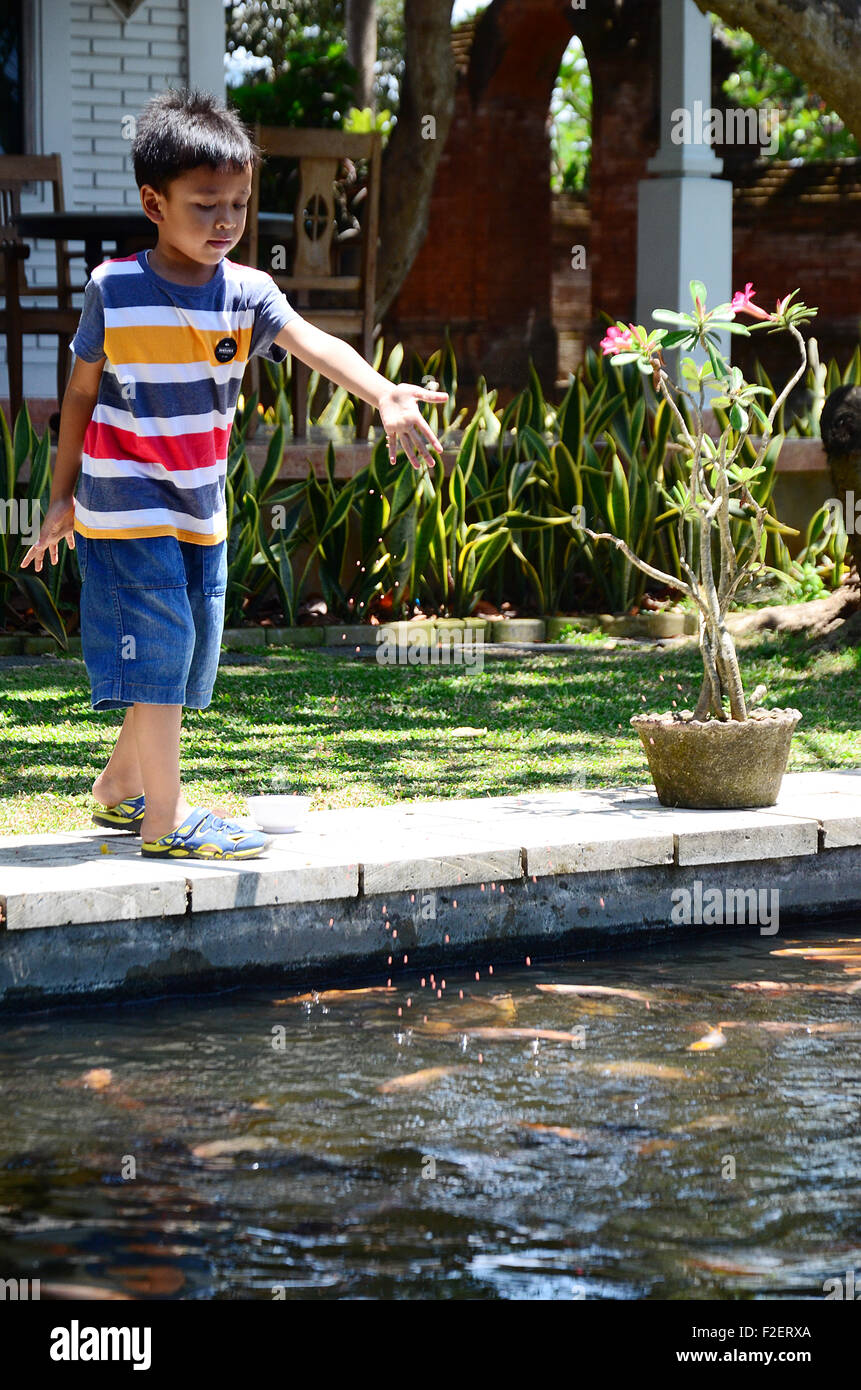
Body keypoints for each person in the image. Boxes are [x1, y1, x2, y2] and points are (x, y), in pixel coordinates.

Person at [21, 88, 447, 861]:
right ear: (154, 202)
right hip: (122, 505)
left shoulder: (247, 293)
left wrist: (381, 392)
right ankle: (166, 819)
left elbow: (315, 342)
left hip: (200, 507)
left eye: (239, 206)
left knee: (179, 653)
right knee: (160, 642)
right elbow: (79, 397)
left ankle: (121, 787)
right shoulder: (113, 290)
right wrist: (60, 498)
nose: (224, 222)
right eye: (205, 204)